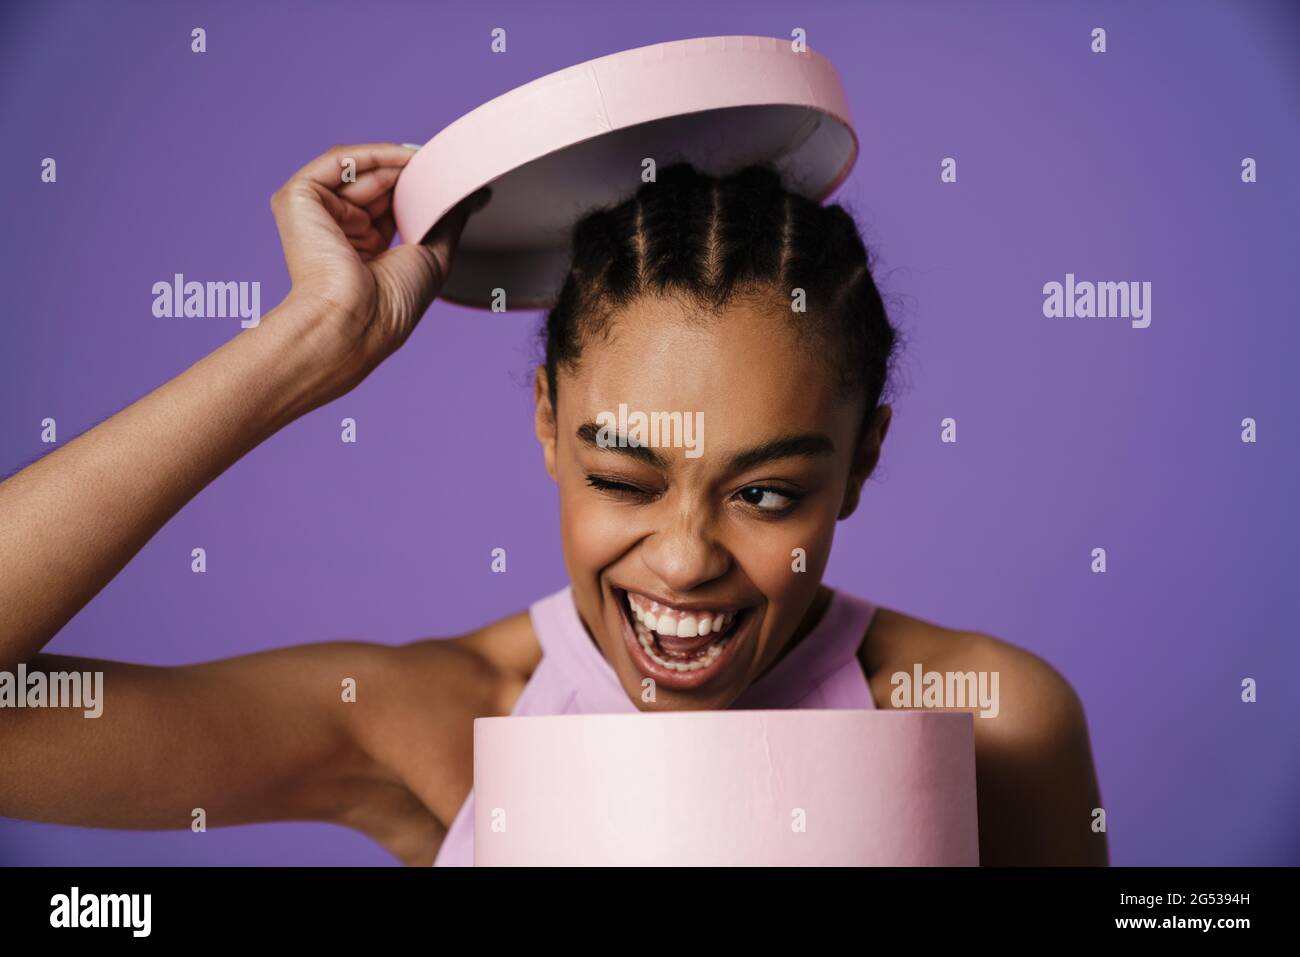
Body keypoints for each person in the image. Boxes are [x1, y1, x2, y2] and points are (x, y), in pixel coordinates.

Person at [0, 143, 1107, 866]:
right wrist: (306, 347)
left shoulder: (991, 726)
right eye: (622, 480)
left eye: (765, 493)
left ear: (862, 461)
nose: (682, 562)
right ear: (544, 422)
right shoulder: (439, 725)